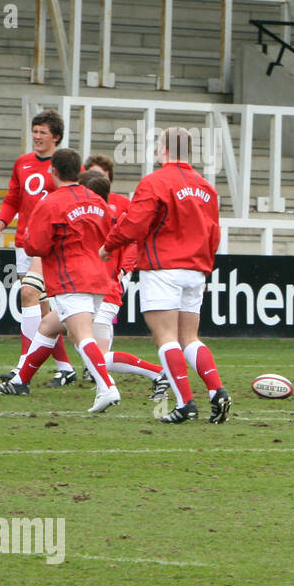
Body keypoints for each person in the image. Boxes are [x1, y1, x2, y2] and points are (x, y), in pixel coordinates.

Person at [100, 127, 230, 424]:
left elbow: (135, 223)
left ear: (164, 150)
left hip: (163, 269)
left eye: (158, 146)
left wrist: (109, 246)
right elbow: (214, 232)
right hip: (196, 270)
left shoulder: (155, 182)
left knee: (166, 337)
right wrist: (203, 263)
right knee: (190, 338)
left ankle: (185, 403)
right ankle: (217, 391)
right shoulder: (207, 188)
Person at [0, 148, 121, 413]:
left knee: (79, 334)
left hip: (71, 277)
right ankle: (21, 381)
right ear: (79, 170)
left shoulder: (51, 202)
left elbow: (33, 245)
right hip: (98, 277)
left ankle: (107, 386)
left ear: (53, 171)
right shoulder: (97, 201)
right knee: (48, 325)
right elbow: (110, 235)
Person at [0, 109, 78, 386]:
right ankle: (64, 366)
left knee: (29, 295)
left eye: (43, 133)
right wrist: (0, 225)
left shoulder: (67, 166)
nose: (37, 137)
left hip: (52, 245)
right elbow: (13, 198)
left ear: (56, 137)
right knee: (43, 307)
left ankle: (23, 367)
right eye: (35, 131)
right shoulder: (23, 163)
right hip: (26, 242)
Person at [78, 167, 169, 400]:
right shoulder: (90, 216)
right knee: (66, 331)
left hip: (105, 287)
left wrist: (125, 268)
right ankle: (26, 376)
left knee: (95, 352)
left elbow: (133, 240)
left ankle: (159, 373)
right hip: (90, 286)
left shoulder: (114, 214)